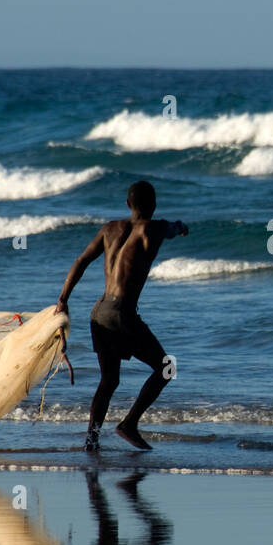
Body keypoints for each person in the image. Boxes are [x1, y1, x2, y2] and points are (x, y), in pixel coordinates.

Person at [56, 181, 188, 450]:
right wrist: (180, 226)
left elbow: (80, 260)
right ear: (154, 205)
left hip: (100, 311)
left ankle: (91, 441)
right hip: (122, 314)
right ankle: (129, 424)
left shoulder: (108, 230)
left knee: (109, 381)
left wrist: (63, 299)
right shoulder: (154, 227)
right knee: (167, 368)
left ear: (128, 204)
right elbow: (173, 228)